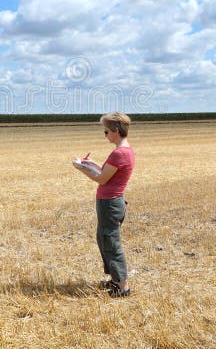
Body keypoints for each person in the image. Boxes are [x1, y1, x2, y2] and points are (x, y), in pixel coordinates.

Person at [72, 111, 135, 297]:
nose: (105, 135)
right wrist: (90, 164)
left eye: (106, 131)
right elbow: (107, 173)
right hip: (112, 203)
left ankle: (123, 287)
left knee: (111, 243)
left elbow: (101, 179)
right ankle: (115, 280)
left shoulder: (119, 153)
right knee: (104, 239)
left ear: (116, 130)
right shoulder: (125, 150)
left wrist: (81, 168)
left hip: (110, 204)